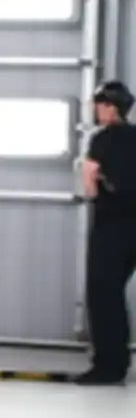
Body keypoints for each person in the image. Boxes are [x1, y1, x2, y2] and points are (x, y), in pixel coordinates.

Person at [76, 80, 136, 385]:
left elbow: (89, 187)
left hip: (111, 226)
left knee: (104, 295)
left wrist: (91, 177)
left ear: (110, 107)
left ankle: (109, 366)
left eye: (99, 105)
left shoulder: (102, 140)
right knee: (114, 292)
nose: (96, 111)